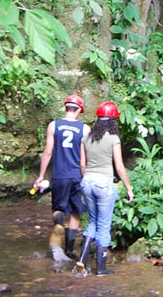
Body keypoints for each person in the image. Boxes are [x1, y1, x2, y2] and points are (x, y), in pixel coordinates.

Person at [75, 101, 134, 276]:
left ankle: (82, 261)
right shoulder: (113, 138)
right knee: (103, 225)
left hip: (87, 182)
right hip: (104, 184)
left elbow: (82, 165)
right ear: (113, 120)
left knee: (93, 221)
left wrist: (88, 179)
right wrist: (129, 187)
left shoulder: (86, 138)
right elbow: (120, 166)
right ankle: (101, 268)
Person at [34, 94, 89, 260]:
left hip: (59, 175)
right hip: (76, 175)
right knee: (75, 212)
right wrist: (84, 176)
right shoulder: (85, 129)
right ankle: (70, 250)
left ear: (65, 108)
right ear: (79, 110)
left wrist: (41, 175)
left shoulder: (53, 126)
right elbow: (83, 158)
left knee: (58, 208)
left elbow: (48, 152)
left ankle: (58, 225)